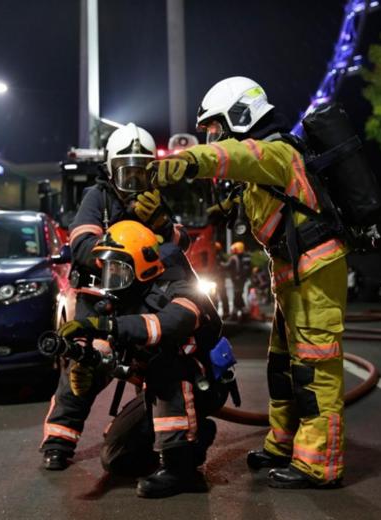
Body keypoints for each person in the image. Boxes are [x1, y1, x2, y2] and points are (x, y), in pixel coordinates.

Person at [149, 76, 348, 489]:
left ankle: (319, 465)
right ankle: (283, 443)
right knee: (282, 368)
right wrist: (226, 206)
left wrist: (189, 160)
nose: (213, 136)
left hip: (315, 272)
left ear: (241, 115)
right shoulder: (267, 168)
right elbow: (255, 187)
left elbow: (237, 155)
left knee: (313, 370)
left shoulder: (275, 152)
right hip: (294, 274)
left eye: (216, 128)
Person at [41, 123, 190, 472]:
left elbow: (179, 245)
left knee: (158, 366)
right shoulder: (98, 198)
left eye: (143, 171)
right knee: (84, 367)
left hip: (144, 299)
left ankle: (150, 439)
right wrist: (120, 253)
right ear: (111, 168)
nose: (135, 180)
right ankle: (58, 442)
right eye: (128, 171)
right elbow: (81, 246)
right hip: (101, 297)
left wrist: (163, 225)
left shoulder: (156, 203)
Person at [54, 220, 224, 498]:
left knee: (166, 366)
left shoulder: (178, 286)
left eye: (119, 269)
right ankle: (193, 437)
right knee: (118, 459)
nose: (112, 278)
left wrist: (109, 327)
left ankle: (181, 471)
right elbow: (113, 344)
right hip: (160, 394)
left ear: (143, 264)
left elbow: (168, 324)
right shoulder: (128, 293)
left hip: (200, 382)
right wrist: (88, 360)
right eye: (108, 269)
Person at [226, 241, 252, 318]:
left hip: (239, 280)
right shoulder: (240, 257)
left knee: (238, 295)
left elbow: (245, 270)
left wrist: (239, 276)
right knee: (237, 295)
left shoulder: (242, 257)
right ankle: (240, 311)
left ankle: (242, 312)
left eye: (235, 249)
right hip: (239, 279)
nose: (234, 251)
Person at [213, 241, 231, 318]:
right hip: (218, 278)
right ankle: (225, 312)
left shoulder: (217, 256)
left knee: (217, 295)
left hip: (218, 278)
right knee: (220, 295)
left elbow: (224, 266)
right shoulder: (219, 256)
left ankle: (221, 312)